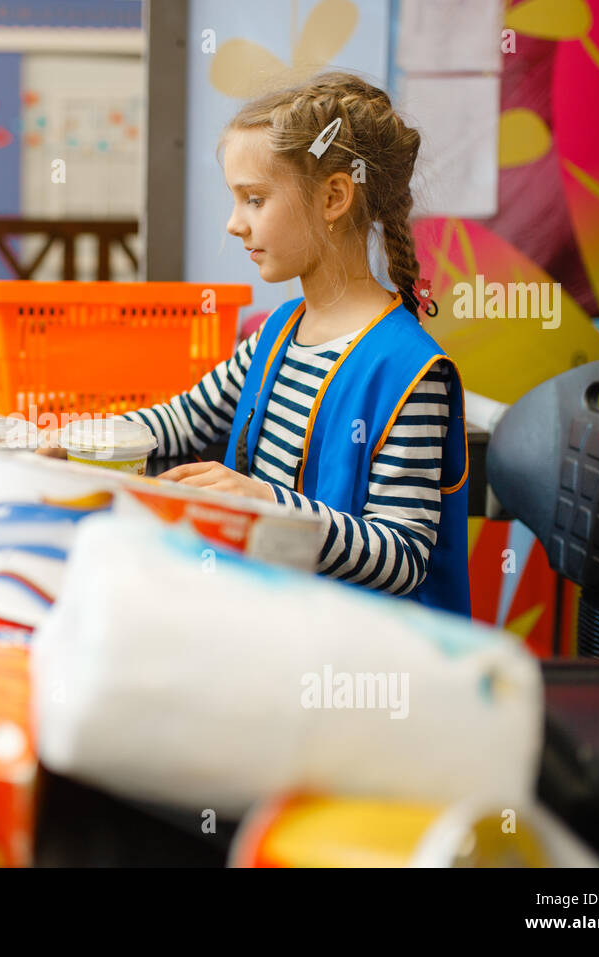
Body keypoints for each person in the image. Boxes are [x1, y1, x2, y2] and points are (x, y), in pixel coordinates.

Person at [122, 73, 470, 616]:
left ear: (333, 196)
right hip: (281, 622)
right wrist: (70, 442)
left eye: (254, 199)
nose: (234, 224)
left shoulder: (409, 371)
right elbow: (184, 421)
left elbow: (402, 557)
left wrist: (267, 504)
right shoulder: (278, 331)